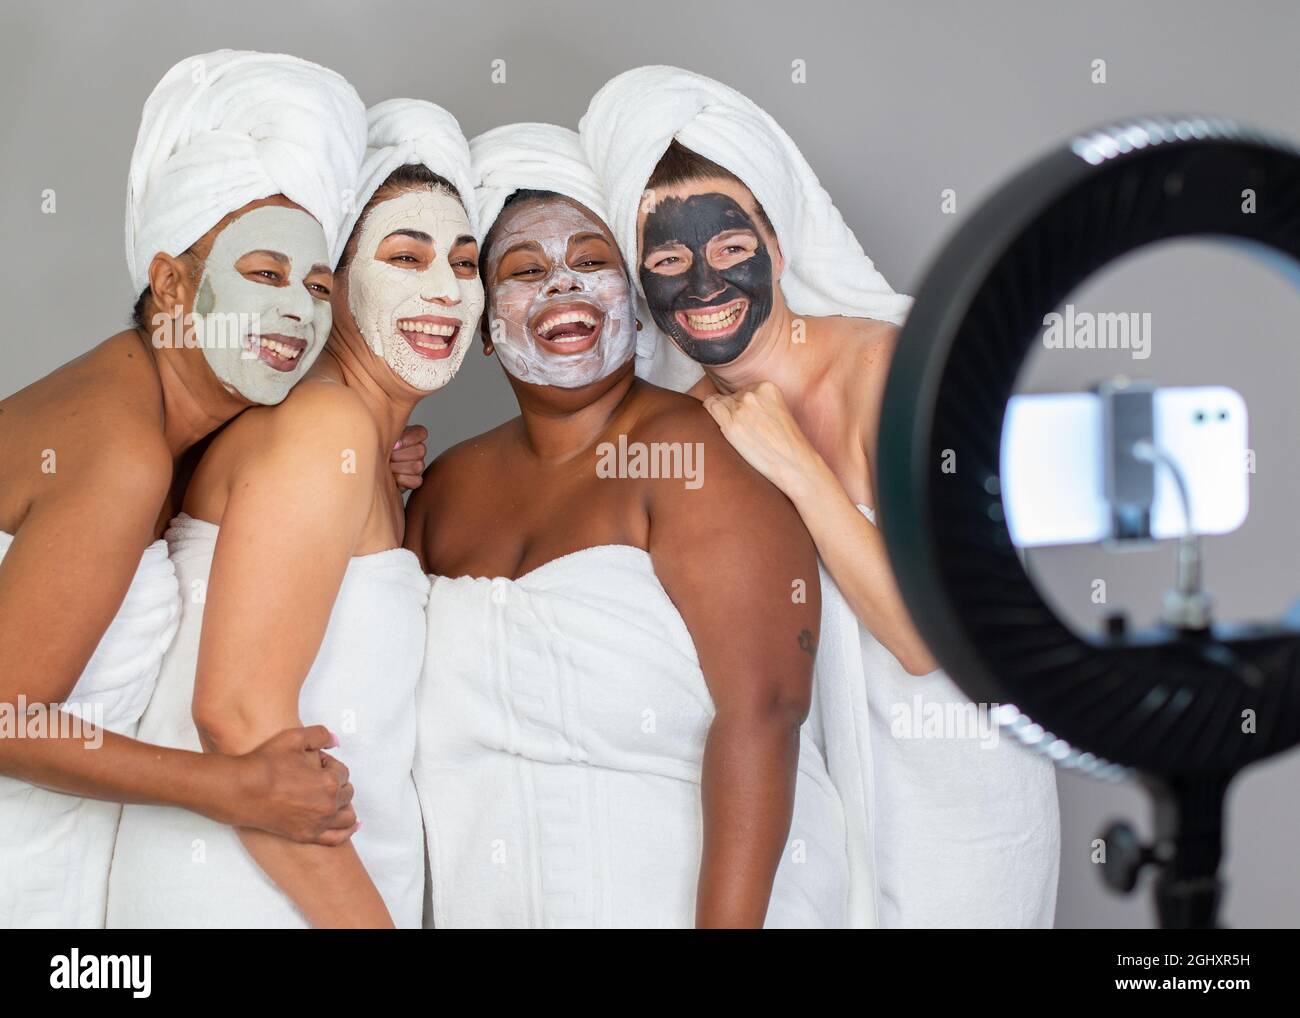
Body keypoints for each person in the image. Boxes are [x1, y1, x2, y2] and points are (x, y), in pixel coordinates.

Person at [580, 66, 1060, 928]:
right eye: (666, 260)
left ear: (781, 242)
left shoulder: (895, 370)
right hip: (809, 810)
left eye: (731, 249)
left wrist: (793, 462)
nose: (704, 286)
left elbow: (923, 637)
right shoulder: (683, 425)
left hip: (961, 805)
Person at [406, 123, 874, 929]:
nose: (563, 287)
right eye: (524, 270)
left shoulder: (692, 451)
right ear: (484, 328)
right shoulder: (445, 486)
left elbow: (764, 709)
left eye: (592, 261)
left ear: (637, 302)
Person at [0, 49, 368, 929]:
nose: (297, 313)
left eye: (318, 287)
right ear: (170, 283)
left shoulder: (159, 420)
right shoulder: (121, 449)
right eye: (266, 275)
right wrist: (237, 787)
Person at [105, 100, 484, 930]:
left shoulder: (354, 448)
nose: (445, 291)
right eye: (405, 256)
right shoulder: (325, 428)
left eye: (464, 261)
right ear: (335, 284)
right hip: (244, 899)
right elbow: (237, 716)